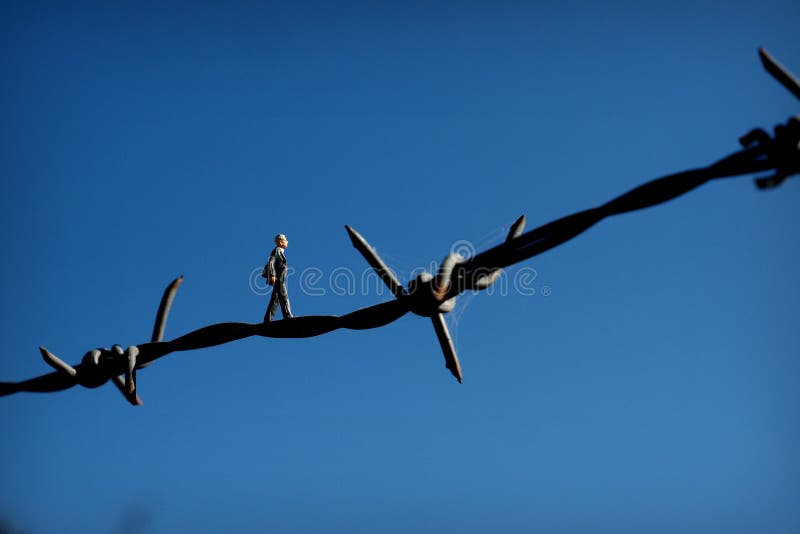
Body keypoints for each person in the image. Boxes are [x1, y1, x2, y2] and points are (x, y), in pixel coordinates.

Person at [263, 234, 294, 322]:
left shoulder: (280, 251)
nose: (287, 241)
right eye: (285, 240)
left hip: (280, 279)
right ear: (280, 242)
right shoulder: (277, 251)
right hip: (279, 280)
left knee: (275, 300)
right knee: (284, 297)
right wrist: (272, 275)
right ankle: (288, 316)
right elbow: (271, 261)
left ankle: (268, 318)